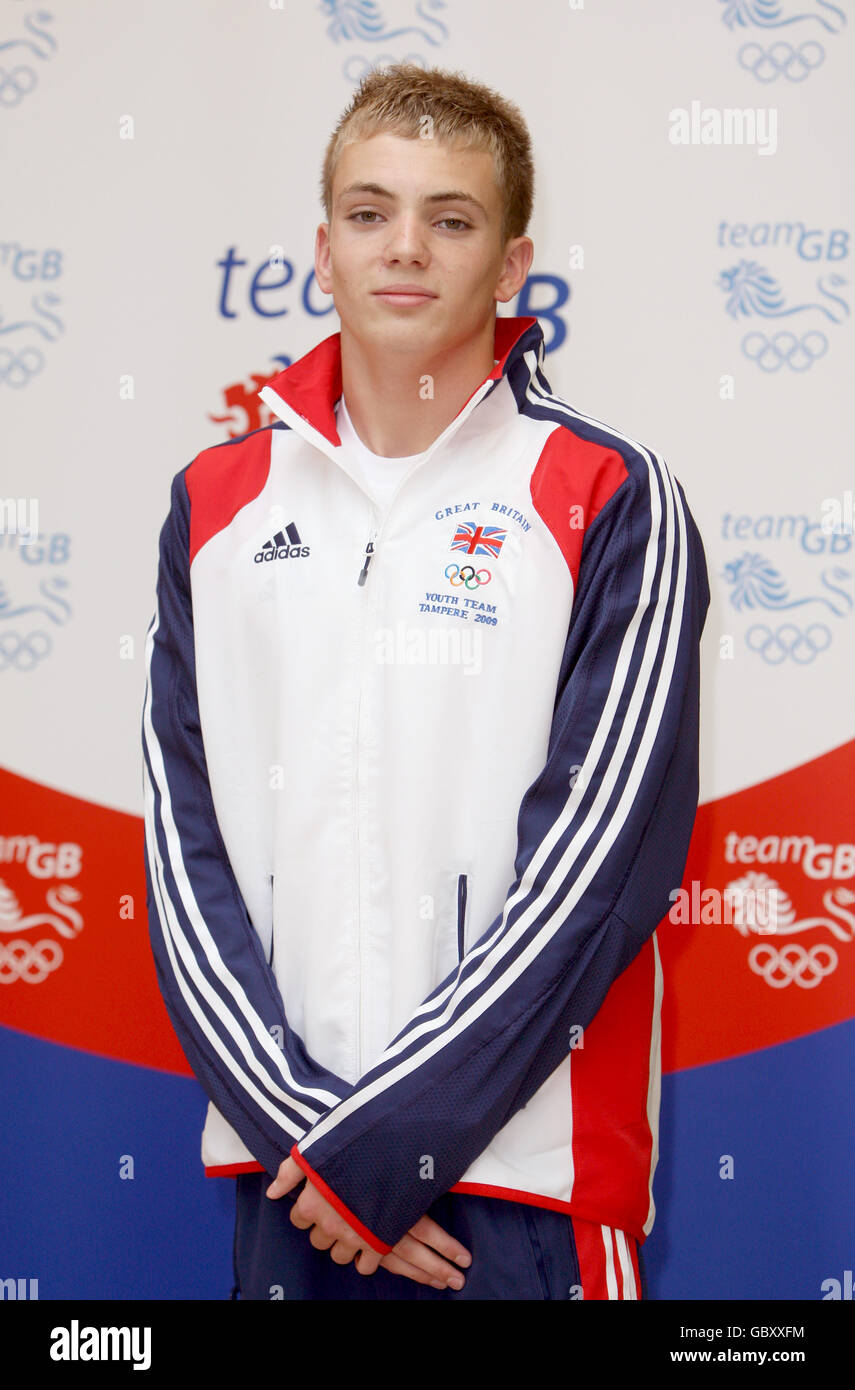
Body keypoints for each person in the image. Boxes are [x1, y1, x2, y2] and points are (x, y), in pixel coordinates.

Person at [142, 62, 710, 1301]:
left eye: (450, 219)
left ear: (509, 265)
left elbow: (603, 866)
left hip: (524, 1185)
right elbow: (186, 865)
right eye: (369, 212)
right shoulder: (215, 506)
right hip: (288, 1177)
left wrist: (389, 1149)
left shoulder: (610, 496)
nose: (405, 248)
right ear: (321, 248)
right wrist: (317, 1141)